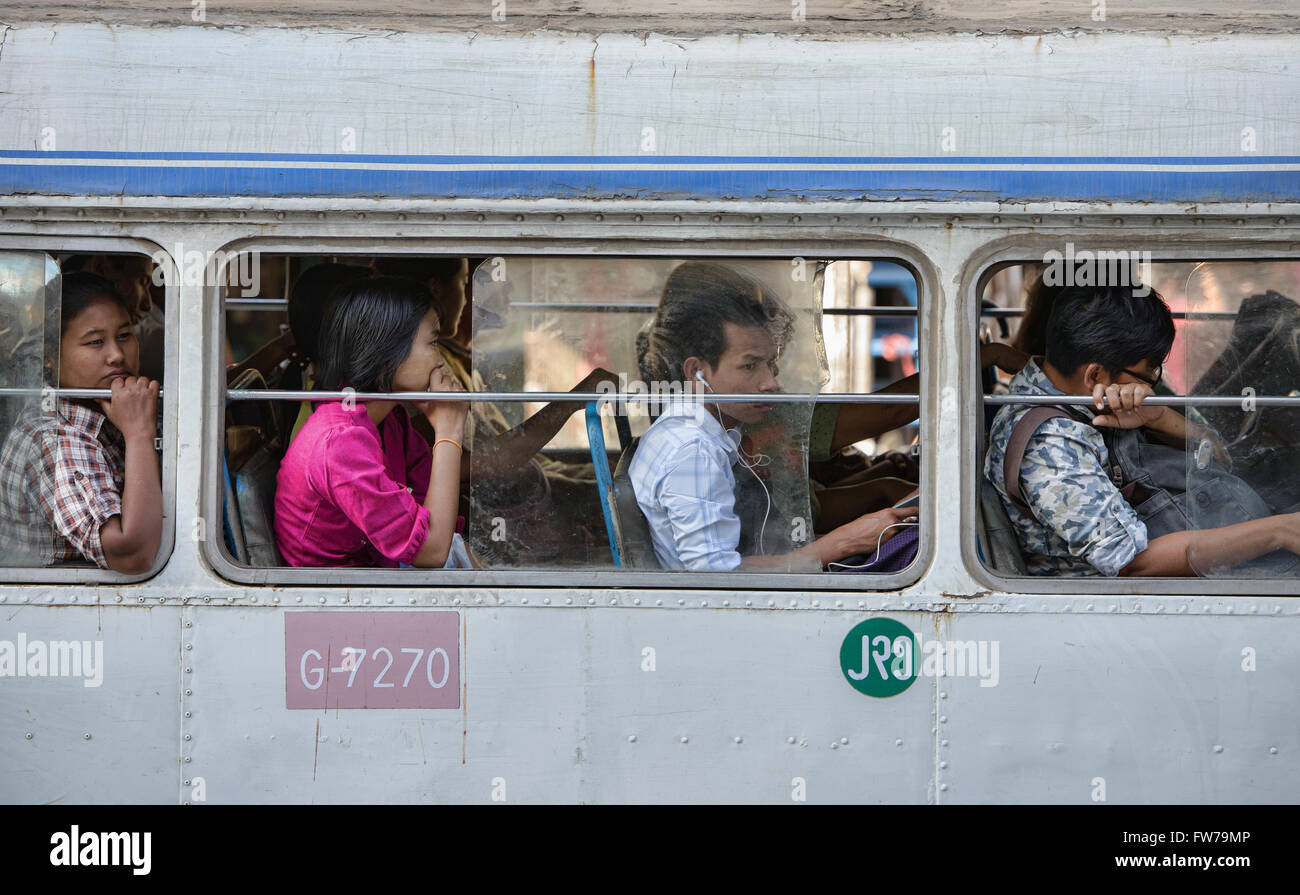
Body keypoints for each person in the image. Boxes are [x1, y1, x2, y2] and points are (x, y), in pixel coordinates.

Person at [985, 281, 1300, 577]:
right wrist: (1278, 531)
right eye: (1148, 375)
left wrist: (1159, 419)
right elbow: (1133, 563)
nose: (1152, 382)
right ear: (1094, 376)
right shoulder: (1050, 446)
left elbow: (1219, 456)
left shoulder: (1085, 394)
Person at [630, 262, 916, 572]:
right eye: (750, 366)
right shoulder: (693, 451)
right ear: (696, 373)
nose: (771, 383)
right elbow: (715, 579)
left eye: (770, 364)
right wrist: (841, 544)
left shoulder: (701, 434)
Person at [274, 277, 471, 568]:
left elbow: (432, 516)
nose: (440, 361)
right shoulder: (339, 443)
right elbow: (432, 552)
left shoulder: (390, 420)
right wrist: (449, 431)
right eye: (432, 343)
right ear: (384, 355)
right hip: (338, 602)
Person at [0, 272, 162, 572]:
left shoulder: (108, 412)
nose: (116, 355)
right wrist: (140, 434)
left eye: (125, 336)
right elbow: (131, 553)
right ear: (50, 355)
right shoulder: (53, 437)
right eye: (95, 342)